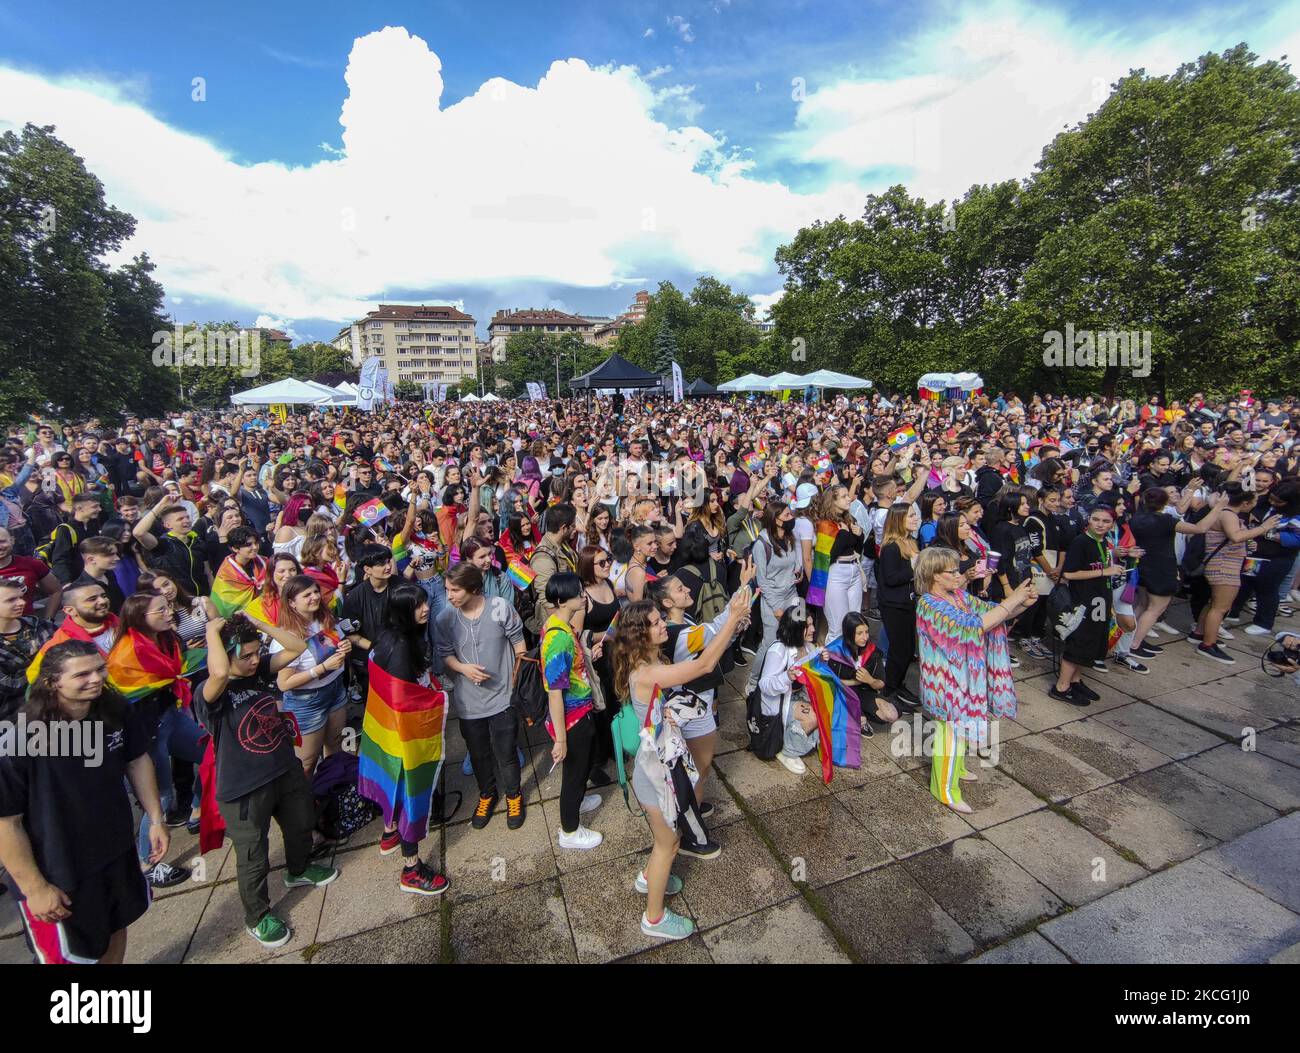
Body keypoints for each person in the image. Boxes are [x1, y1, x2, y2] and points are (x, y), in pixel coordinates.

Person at [0, 641, 165, 963]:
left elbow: (137, 759)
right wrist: (35, 889)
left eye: (99, 669)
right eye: (82, 674)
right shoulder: (19, 739)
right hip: (59, 871)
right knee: (68, 958)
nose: (96, 679)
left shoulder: (114, 708)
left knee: (117, 928)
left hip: (114, 852)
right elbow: (7, 822)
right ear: (52, 682)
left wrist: (156, 819)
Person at [193, 612, 339, 948]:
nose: (254, 660)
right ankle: (257, 916)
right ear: (225, 655)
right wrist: (213, 632)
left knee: (301, 821)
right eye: (245, 656)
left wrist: (258, 626)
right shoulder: (210, 692)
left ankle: (299, 869)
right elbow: (217, 671)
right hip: (243, 786)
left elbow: (297, 646)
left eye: (256, 652)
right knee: (253, 855)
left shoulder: (256, 671)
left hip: (282, 767)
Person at [612, 590, 750, 940]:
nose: (663, 625)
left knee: (666, 840)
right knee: (669, 844)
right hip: (654, 777)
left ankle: (649, 878)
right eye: (656, 623)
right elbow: (703, 666)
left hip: (655, 769)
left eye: (660, 619)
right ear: (640, 634)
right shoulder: (648, 673)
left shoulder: (646, 664)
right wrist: (732, 619)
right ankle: (654, 918)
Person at [914, 547, 1033, 813]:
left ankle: (956, 769)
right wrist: (1013, 601)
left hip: (966, 677)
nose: (959, 575)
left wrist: (1022, 603)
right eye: (952, 571)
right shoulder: (930, 604)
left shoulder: (958, 595)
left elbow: (990, 612)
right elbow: (974, 626)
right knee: (949, 735)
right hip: (945, 682)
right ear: (934, 575)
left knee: (961, 730)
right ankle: (944, 790)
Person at [106, 591, 207, 887]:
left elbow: (176, 671)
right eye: (160, 611)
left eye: (167, 608)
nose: (168, 614)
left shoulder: (167, 639)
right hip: (144, 733)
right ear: (138, 617)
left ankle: (198, 811)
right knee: (159, 797)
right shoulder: (125, 654)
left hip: (170, 718)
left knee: (212, 752)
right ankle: (147, 863)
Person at [357, 582, 451, 895]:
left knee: (393, 788)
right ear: (402, 612)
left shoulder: (386, 636)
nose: (425, 609)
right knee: (412, 793)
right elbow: (405, 700)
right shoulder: (400, 647)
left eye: (425, 602)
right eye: (418, 606)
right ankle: (411, 868)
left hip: (383, 732)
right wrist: (435, 697)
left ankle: (389, 832)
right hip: (404, 738)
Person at [437, 563, 527, 831]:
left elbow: (518, 642)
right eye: (447, 590)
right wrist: (463, 668)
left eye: (455, 590)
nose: (449, 596)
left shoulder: (500, 607)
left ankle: (514, 795)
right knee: (478, 754)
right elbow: (444, 653)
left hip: (503, 698)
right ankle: (487, 794)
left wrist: (517, 677)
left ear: (474, 588)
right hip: (468, 704)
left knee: (506, 753)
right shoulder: (445, 618)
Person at [540, 572, 605, 850]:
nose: (583, 597)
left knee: (580, 769)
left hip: (580, 709)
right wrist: (561, 739)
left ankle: (578, 800)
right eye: (578, 593)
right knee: (574, 774)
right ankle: (570, 830)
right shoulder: (560, 639)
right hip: (573, 717)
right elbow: (555, 691)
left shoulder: (560, 625)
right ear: (561, 600)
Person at [273, 574, 352, 779]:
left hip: (335, 690)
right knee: (306, 762)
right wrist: (321, 668)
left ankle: (332, 791)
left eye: (316, 592)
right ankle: (306, 805)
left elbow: (339, 646)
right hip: (306, 702)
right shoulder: (287, 636)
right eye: (307, 595)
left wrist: (345, 647)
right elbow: (284, 683)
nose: (315, 597)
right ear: (291, 603)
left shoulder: (324, 619)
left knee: (336, 747)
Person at [1192, 484, 1280, 664]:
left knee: (1214, 603)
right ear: (1245, 503)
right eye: (1254, 500)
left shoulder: (1225, 513)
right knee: (1221, 607)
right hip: (1224, 566)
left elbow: (1237, 537)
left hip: (1224, 564)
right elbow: (1236, 536)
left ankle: (1200, 633)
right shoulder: (1228, 514)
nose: (1256, 503)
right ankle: (1208, 644)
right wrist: (1264, 527)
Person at [1051, 504, 1125, 703]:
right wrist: (1104, 572)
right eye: (1096, 520)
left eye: (1106, 521)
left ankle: (1075, 680)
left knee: (1092, 642)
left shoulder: (1105, 542)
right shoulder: (1081, 542)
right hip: (1082, 602)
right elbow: (1069, 574)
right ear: (1089, 520)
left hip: (1100, 600)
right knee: (1079, 642)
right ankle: (1062, 686)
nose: (1100, 525)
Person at [754, 606, 823, 775]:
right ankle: (788, 751)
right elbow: (765, 685)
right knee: (814, 716)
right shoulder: (778, 650)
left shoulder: (807, 646)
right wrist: (787, 677)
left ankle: (802, 736)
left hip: (798, 695)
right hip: (780, 702)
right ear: (796, 628)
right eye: (808, 626)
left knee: (828, 707)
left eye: (812, 624)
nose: (813, 629)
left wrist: (821, 658)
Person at [745, 500, 801, 695]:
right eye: (787, 515)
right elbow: (763, 581)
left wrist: (797, 570)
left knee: (797, 636)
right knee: (770, 643)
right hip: (772, 599)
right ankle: (753, 681)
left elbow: (796, 557)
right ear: (776, 520)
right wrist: (776, 607)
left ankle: (794, 680)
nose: (791, 518)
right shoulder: (762, 545)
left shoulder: (791, 537)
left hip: (792, 594)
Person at [876, 503, 923, 708]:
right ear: (899, 520)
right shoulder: (891, 547)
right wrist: (913, 568)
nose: (915, 519)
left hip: (908, 601)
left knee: (908, 649)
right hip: (893, 605)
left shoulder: (911, 541)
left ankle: (898, 684)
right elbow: (891, 578)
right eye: (911, 516)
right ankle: (889, 690)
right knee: (898, 650)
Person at [822, 610, 891, 732]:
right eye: (859, 633)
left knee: (891, 715)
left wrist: (870, 680)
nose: (865, 637)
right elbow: (825, 680)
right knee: (857, 720)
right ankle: (854, 716)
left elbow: (881, 683)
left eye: (866, 632)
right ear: (849, 634)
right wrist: (855, 682)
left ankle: (861, 714)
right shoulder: (834, 651)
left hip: (862, 692)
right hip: (840, 692)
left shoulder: (872, 652)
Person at [133, 497, 211, 596]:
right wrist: (160, 505)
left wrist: (212, 595)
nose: (186, 521)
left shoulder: (197, 541)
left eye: (187, 517)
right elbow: (138, 533)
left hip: (203, 597)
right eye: (180, 519)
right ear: (167, 525)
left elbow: (207, 572)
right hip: (179, 600)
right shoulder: (163, 544)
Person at [0, 579, 54, 721]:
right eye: (11, 600)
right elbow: (9, 685)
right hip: (13, 715)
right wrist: (49, 670)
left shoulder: (40, 625)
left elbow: (68, 655)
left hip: (57, 705)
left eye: (20, 597)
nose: (22, 603)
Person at [0, 526, 61, 619]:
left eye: (2, 541)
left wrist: (48, 621)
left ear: (12, 540)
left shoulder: (32, 564)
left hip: (27, 628)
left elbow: (56, 591)